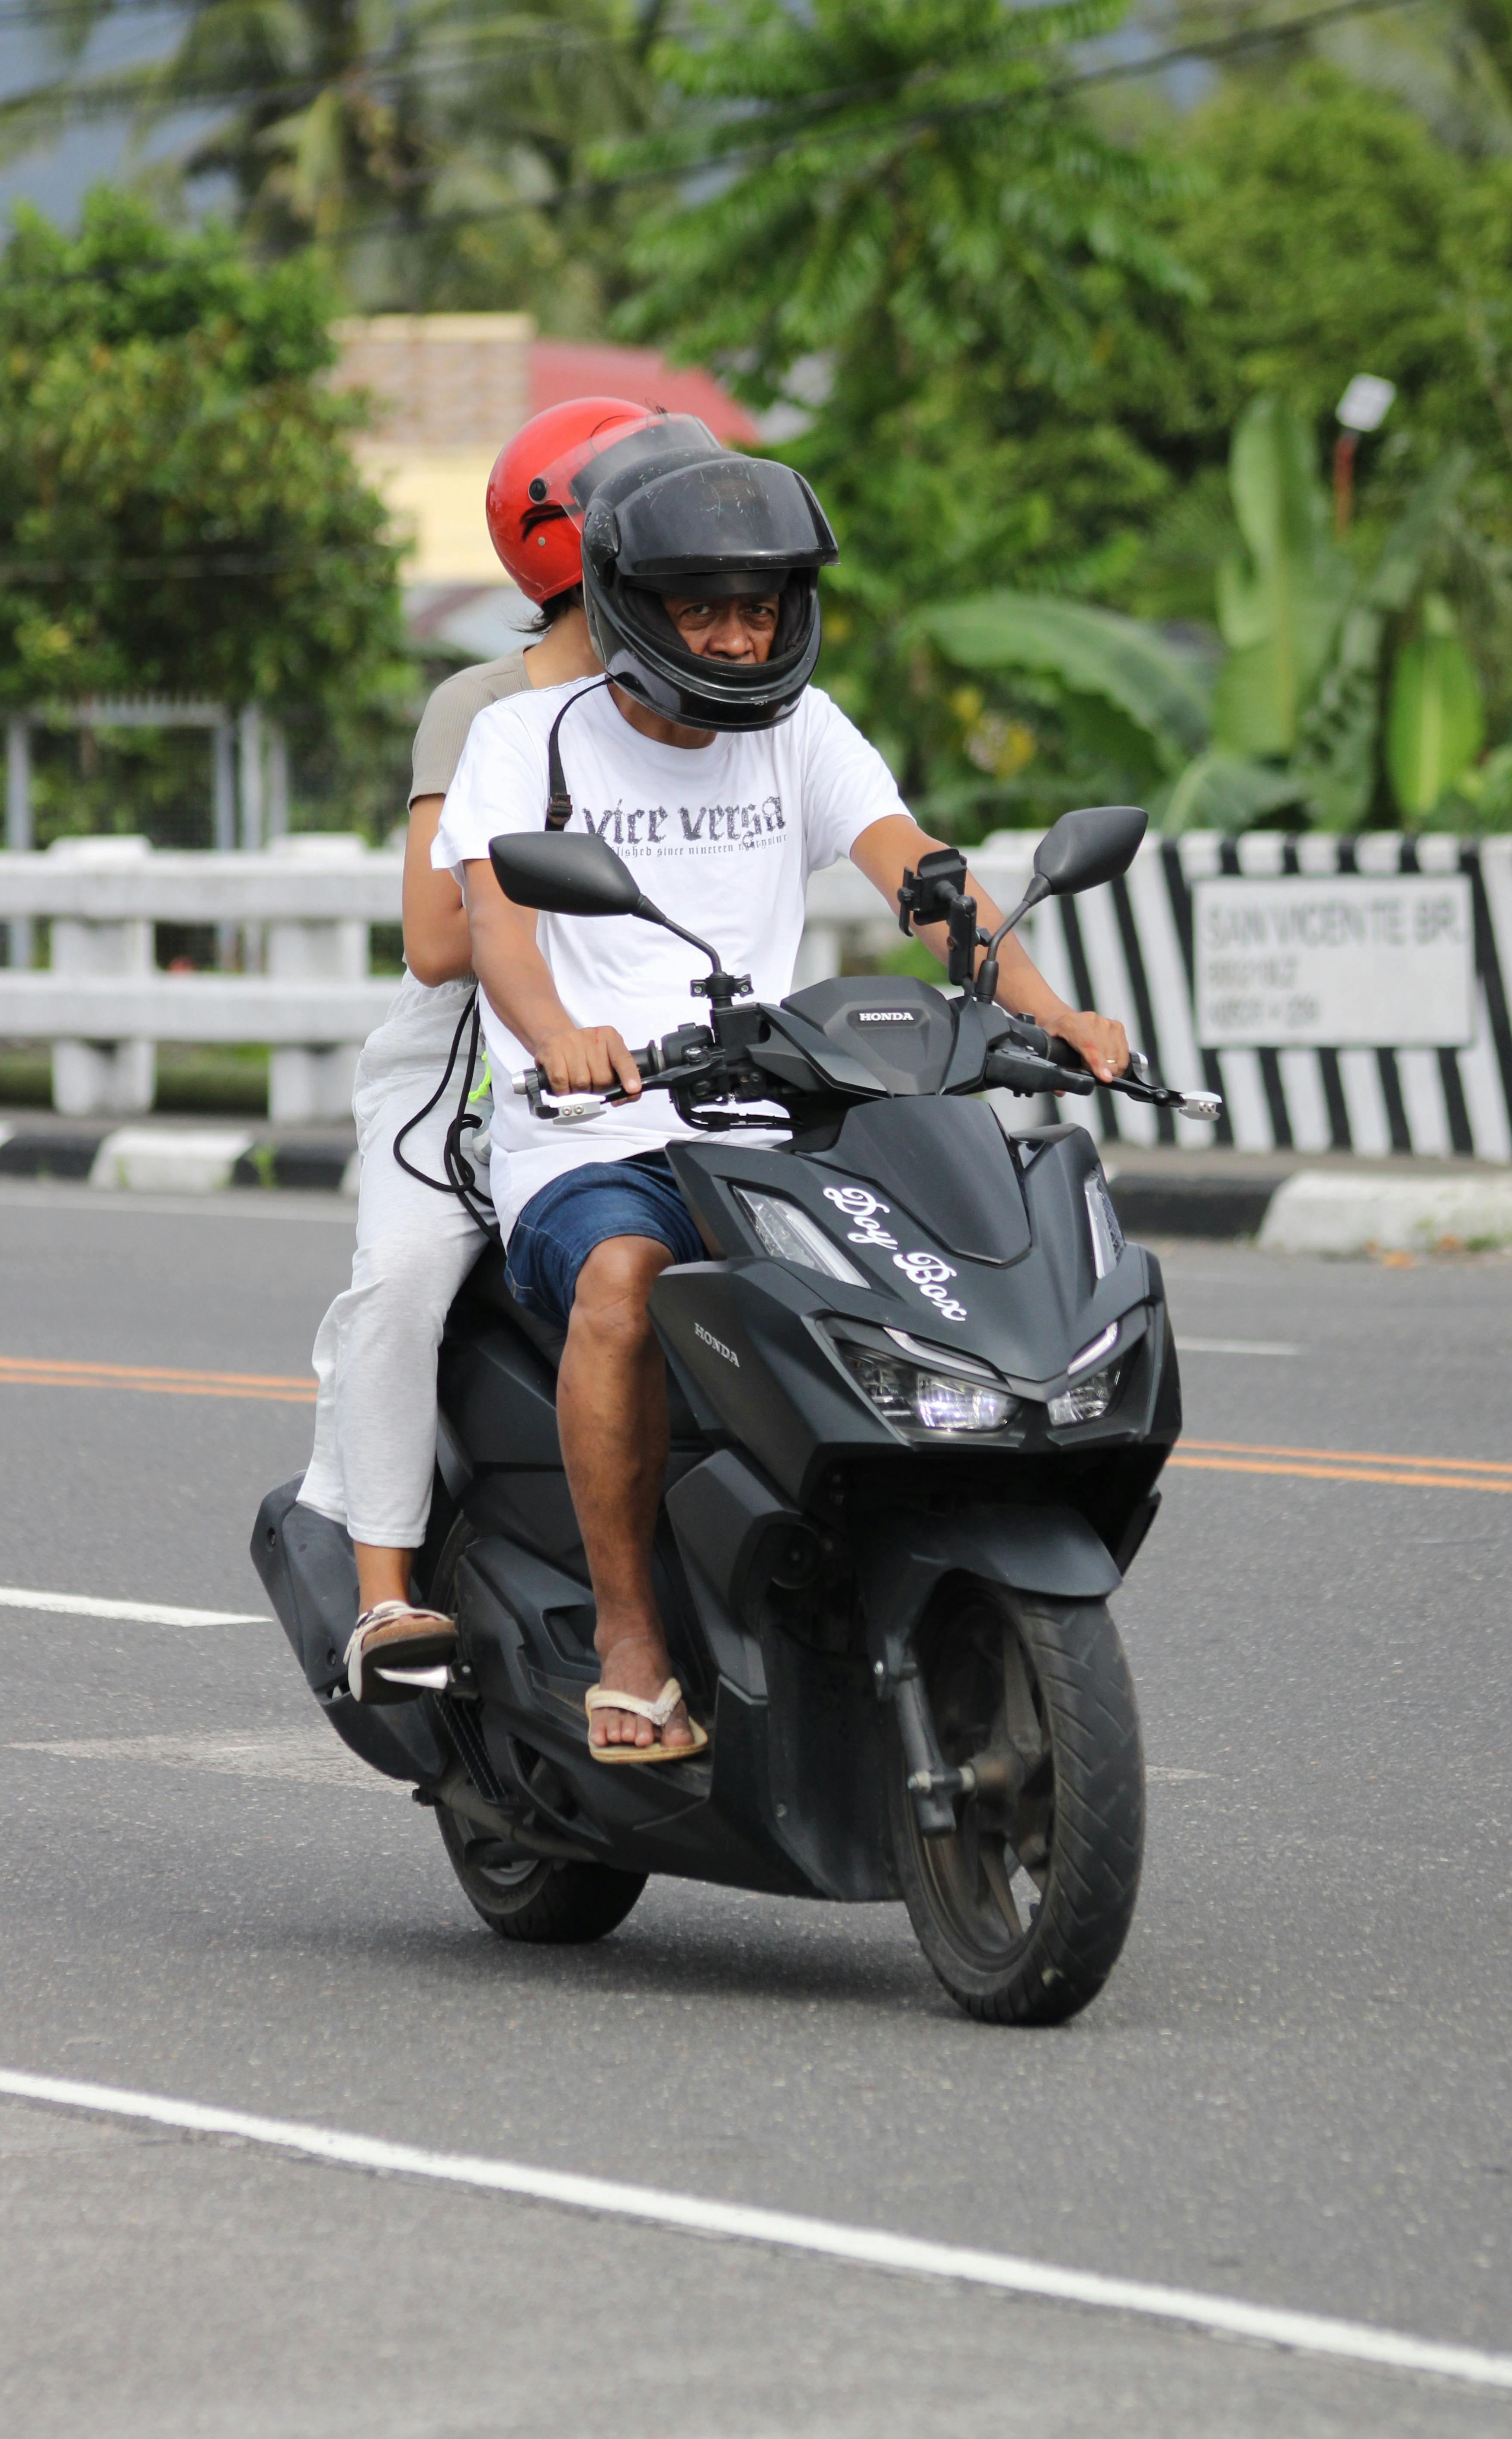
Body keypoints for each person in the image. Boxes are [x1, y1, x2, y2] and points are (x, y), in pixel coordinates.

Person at [436, 420, 1131, 1766]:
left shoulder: (802, 734)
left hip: (778, 1117)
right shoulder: (529, 741)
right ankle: (634, 1650)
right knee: (623, 1281)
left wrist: (1053, 1016)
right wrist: (563, 1035)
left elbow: (927, 882)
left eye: (760, 610)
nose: (742, 639)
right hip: (599, 1129)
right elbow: (502, 930)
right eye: (707, 610)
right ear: (633, 605)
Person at [297, 397, 669, 1702]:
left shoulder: (715, 697)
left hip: (664, 1067)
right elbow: (439, 941)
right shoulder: (485, 704)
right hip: (467, 1081)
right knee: (405, 1281)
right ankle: (386, 1597)